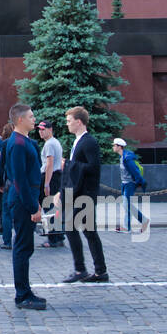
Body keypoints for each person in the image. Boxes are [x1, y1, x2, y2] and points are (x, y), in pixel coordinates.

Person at [58, 106, 108, 283]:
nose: (67, 124)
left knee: (71, 227)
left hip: (85, 194)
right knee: (89, 232)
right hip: (80, 193)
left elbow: (94, 167)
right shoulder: (79, 141)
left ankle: (81, 269)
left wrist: (70, 164)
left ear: (79, 122)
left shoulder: (88, 142)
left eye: (69, 121)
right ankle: (100, 271)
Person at [5, 104, 46, 310]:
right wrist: (32, 207)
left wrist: (35, 201)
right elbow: (19, 178)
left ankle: (25, 291)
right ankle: (22, 295)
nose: (34, 119)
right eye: (31, 116)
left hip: (25, 197)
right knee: (22, 247)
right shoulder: (18, 143)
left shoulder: (23, 141)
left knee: (25, 246)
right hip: (22, 199)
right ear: (20, 119)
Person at [38, 121, 65, 248]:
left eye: (43, 129)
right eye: (39, 129)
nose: (40, 132)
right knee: (54, 207)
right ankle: (58, 236)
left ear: (50, 129)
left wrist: (46, 184)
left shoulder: (49, 144)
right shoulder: (55, 142)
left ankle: (53, 238)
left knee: (48, 207)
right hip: (55, 176)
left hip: (50, 177)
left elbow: (49, 163)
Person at [113, 138, 149, 232]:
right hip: (125, 183)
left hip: (130, 184)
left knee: (127, 205)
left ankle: (142, 221)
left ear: (119, 147)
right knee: (126, 205)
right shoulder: (122, 157)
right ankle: (128, 226)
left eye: (114, 145)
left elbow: (135, 171)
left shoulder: (127, 158)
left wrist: (139, 182)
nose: (113, 147)